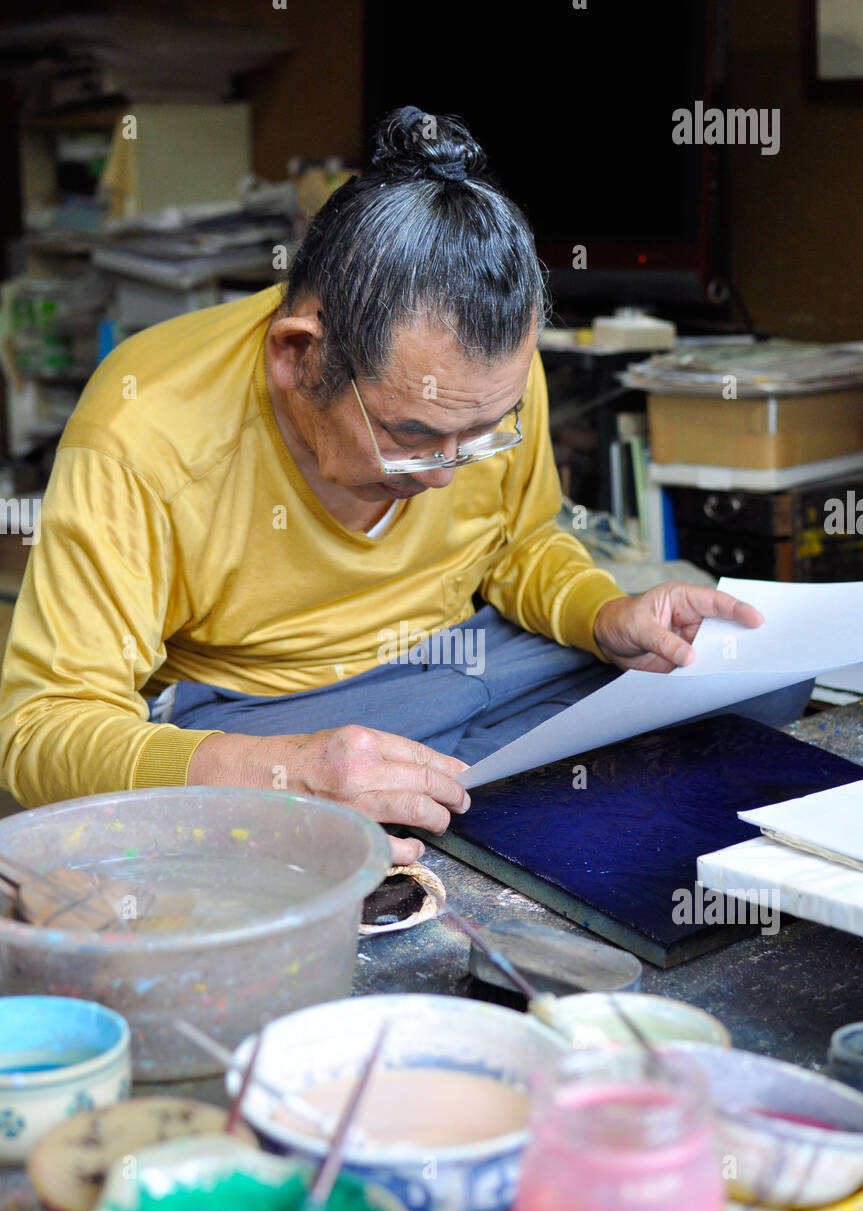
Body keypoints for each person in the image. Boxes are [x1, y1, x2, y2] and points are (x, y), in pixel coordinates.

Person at [0, 107, 809, 863]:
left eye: (484, 430)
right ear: (297, 354)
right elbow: (37, 729)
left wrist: (602, 615)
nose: (447, 469)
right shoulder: (145, 427)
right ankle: (393, 792)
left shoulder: (482, 383)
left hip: (471, 660)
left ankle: (426, 792)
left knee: (758, 679)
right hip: (276, 712)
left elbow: (519, 543)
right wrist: (285, 771)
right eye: (410, 434)